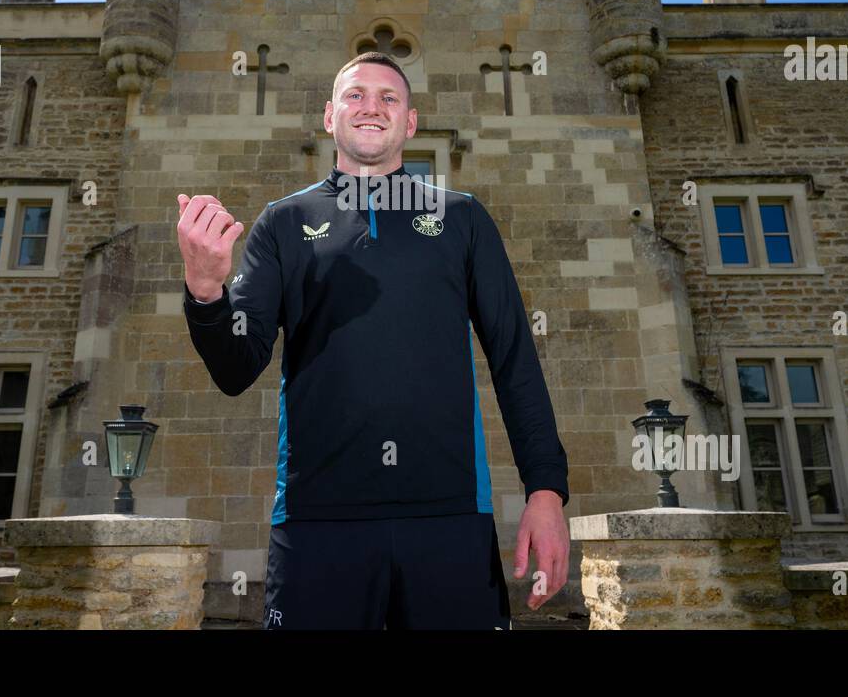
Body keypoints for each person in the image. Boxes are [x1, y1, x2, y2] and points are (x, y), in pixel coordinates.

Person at [177, 51, 570, 629]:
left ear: (409, 123)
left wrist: (546, 491)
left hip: (450, 516)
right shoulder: (282, 223)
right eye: (356, 95)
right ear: (329, 116)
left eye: (389, 97)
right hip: (316, 521)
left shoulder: (462, 218)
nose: (372, 107)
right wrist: (206, 289)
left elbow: (515, 360)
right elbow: (235, 368)